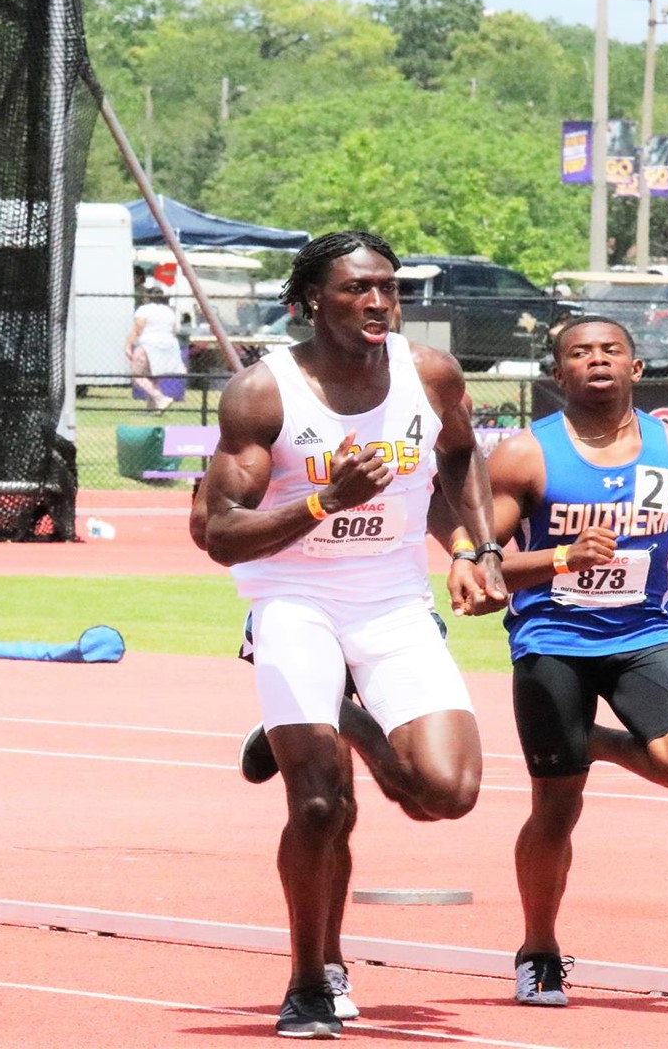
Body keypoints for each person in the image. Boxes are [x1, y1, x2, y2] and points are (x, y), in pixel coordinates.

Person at [199, 231, 505, 1039]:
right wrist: (321, 503)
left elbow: (461, 458)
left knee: (445, 791)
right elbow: (219, 533)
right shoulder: (264, 394)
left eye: (387, 289)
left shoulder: (429, 374)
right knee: (321, 805)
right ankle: (309, 980)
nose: (377, 302)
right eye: (355, 290)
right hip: (295, 599)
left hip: (393, 600)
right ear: (310, 301)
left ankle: (349, 717)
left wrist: (475, 548)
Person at [462, 314, 668, 1007]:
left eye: (610, 350)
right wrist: (562, 556)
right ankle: (539, 950)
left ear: (636, 368)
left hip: (644, 636)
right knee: (556, 808)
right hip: (552, 643)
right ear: (557, 373)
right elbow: (488, 563)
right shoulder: (524, 455)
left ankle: (587, 742)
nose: (595, 361)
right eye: (578, 353)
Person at [126, 281, 185, 411]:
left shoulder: (144, 310)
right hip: (168, 345)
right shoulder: (169, 311)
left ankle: (160, 398)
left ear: (147, 297)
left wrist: (128, 345)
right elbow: (175, 329)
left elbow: (137, 329)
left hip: (149, 344)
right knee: (154, 376)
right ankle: (152, 407)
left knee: (137, 375)